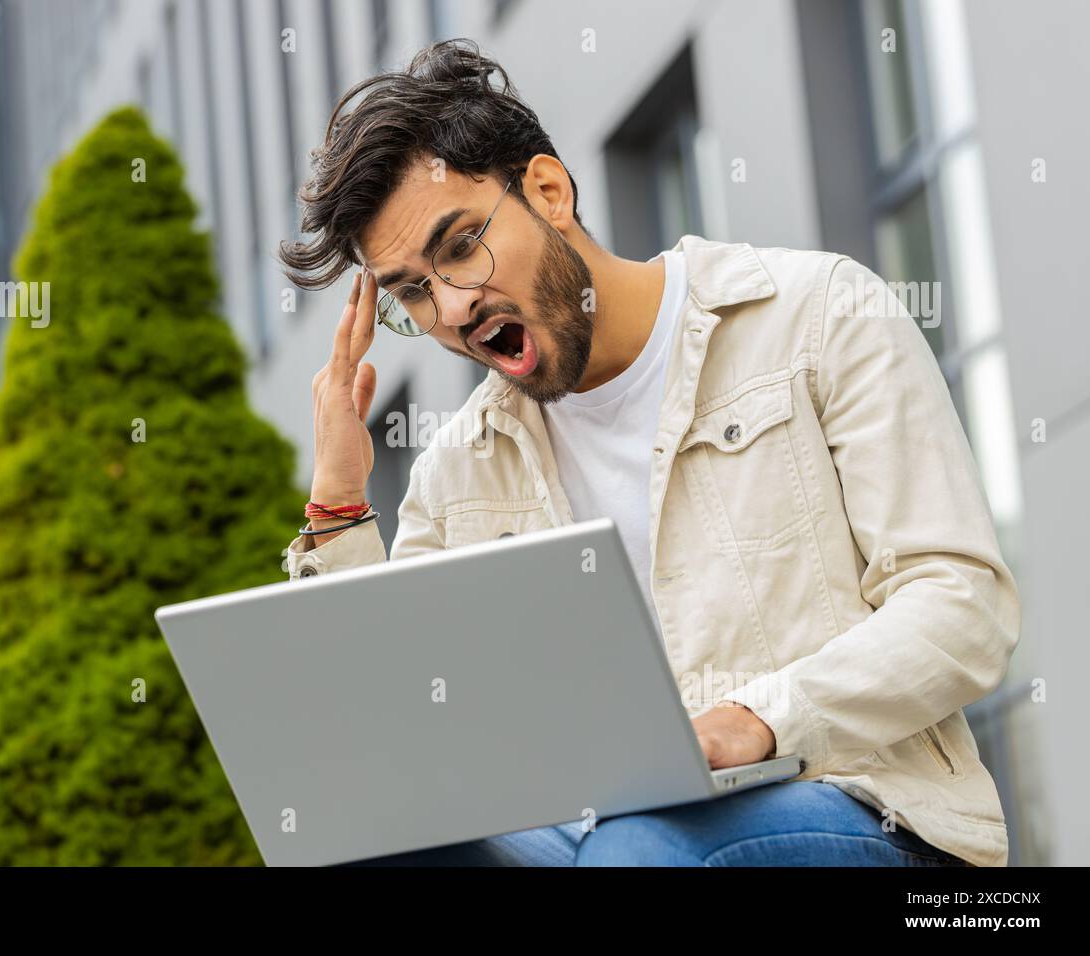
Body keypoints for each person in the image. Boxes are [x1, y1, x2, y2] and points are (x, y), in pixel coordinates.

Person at [276, 39, 1019, 867]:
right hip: (589, 835)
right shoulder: (457, 473)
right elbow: (405, 733)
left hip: (864, 810)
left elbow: (961, 607)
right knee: (374, 845)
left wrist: (759, 720)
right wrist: (339, 502)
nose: (450, 307)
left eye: (459, 247)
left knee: (640, 849)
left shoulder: (819, 315)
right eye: (413, 289)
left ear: (549, 191)